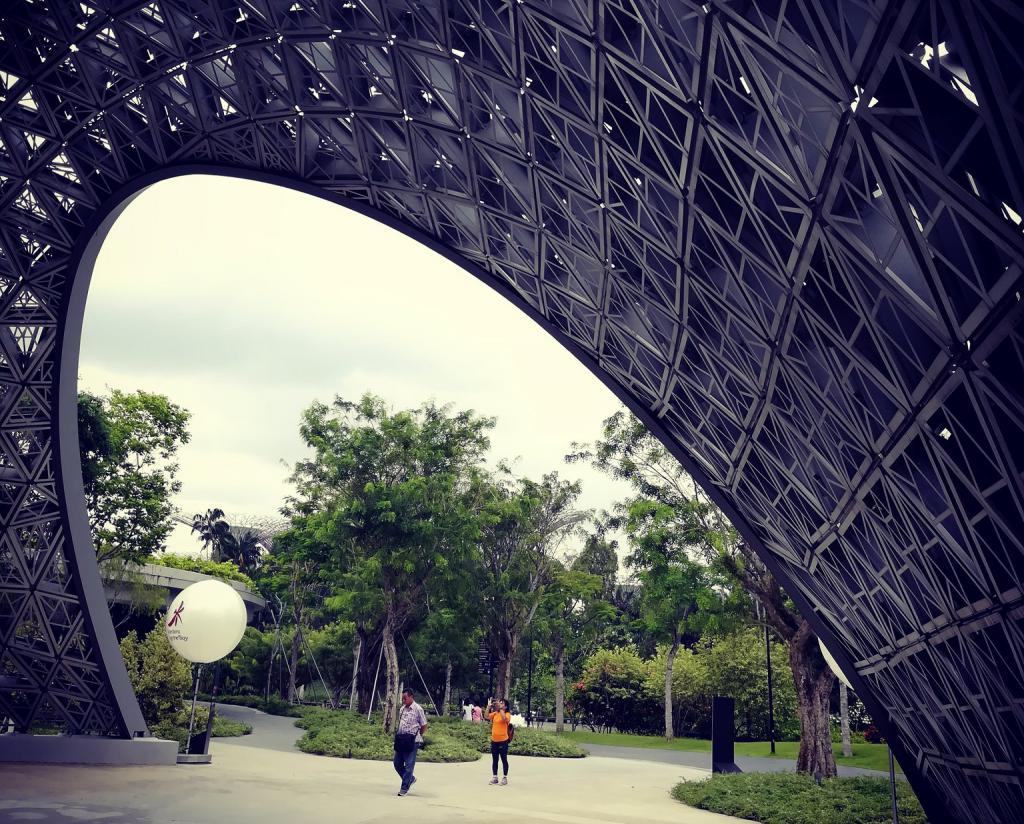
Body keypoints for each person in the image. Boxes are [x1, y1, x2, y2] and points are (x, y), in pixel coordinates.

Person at [393, 688, 428, 797]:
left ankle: (404, 788)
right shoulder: (402, 709)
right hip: (401, 739)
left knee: (409, 765)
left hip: (412, 740)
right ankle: (410, 779)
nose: (403, 700)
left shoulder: (418, 709)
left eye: (405, 698)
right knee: (397, 763)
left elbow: (424, 725)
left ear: (411, 696)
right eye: (402, 698)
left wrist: (418, 735)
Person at [486, 697, 512, 785]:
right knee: (495, 759)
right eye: (499, 703)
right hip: (494, 740)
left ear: (506, 706)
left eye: (502, 703)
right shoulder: (495, 714)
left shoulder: (507, 714)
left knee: (504, 759)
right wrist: (488, 707)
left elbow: (504, 719)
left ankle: (505, 777)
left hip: (503, 741)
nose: (500, 704)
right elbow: (486, 716)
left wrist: (501, 709)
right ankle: (495, 777)